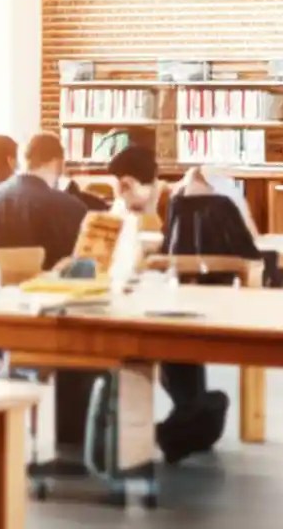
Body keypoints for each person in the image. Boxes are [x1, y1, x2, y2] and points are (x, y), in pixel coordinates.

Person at [107, 146, 228, 463]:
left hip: (186, 303)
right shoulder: (129, 213)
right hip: (144, 301)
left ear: (130, 183)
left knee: (177, 353)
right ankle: (189, 420)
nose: (120, 199)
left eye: (122, 190)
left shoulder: (180, 204)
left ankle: (183, 422)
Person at [0, 132, 93, 269]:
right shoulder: (71, 208)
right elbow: (84, 266)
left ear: (21, 161)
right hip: (46, 289)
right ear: (60, 164)